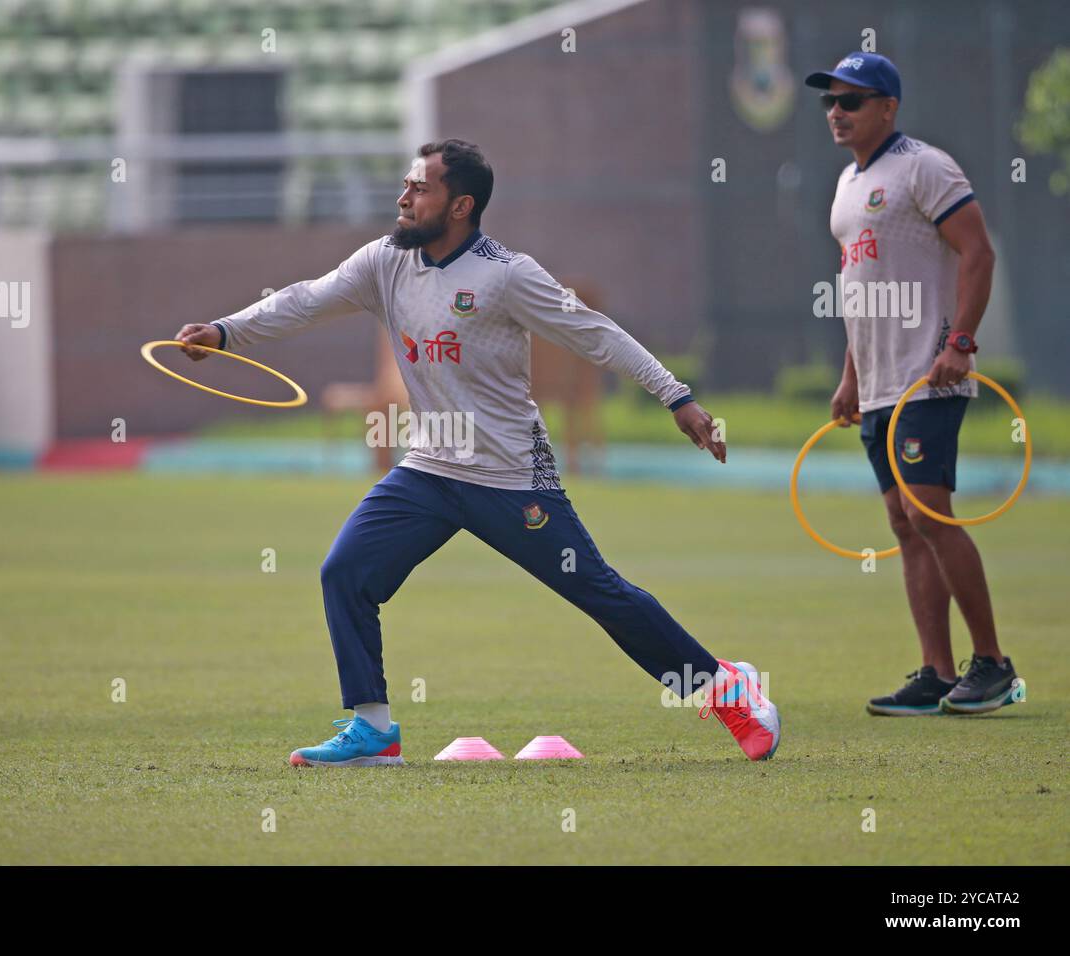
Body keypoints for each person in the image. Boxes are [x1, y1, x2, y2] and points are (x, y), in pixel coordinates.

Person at [174, 139, 779, 763]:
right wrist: (226, 332)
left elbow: (595, 334)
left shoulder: (507, 275)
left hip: (511, 476)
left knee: (602, 595)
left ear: (460, 205)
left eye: (421, 188)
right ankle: (375, 732)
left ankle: (729, 689)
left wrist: (676, 396)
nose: (404, 198)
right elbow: (304, 298)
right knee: (345, 572)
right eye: (407, 185)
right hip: (429, 470)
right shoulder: (383, 261)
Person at [807, 53, 1022, 715]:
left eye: (852, 101)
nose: (837, 113)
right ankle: (935, 671)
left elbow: (977, 252)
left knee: (930, 514)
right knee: (904, 524)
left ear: (888, 108)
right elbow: (859, 292)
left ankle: (993, 665)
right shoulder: (847, 184)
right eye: (830, 102)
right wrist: (850, 376)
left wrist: (960, 342)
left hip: (927, 378)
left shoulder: (925, 167)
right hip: (876, 387)